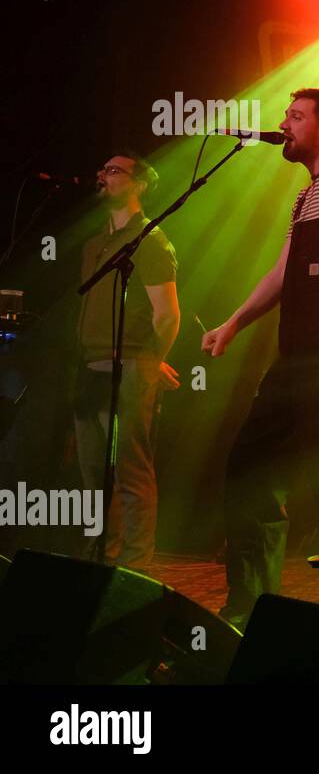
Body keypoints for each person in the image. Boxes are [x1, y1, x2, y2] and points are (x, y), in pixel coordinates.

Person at [202, 88, 319, 628]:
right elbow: (284, 271)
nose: (283, 124)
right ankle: (249, 607)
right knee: (248, 471)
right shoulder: (306, 197)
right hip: (292, 361)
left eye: (295, 115)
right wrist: (235, 322)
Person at [74, 150, 180, 568]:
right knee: (91, 476)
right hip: (88, 365)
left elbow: (167, 315)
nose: (102, 175)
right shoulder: (95, 244)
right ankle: (99, 556)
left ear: (138, 184)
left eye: (113, 169)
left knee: (130, 472)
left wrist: (151, 361)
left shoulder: (150, 240)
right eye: (102, 167)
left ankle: (135, 565)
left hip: (130, 367)